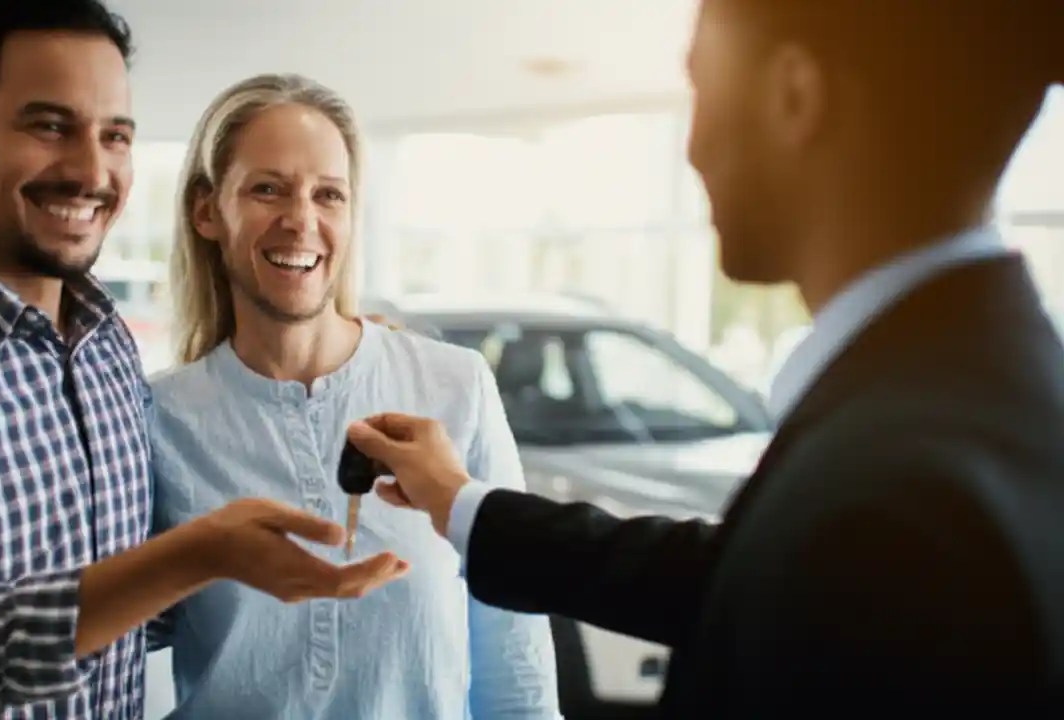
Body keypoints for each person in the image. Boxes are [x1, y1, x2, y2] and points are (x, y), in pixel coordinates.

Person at [346, 1, 1064, 716]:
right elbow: (746, 575)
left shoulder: (890, 490)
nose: (690, 148)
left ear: (794, 98)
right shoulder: (990, 396)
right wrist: (463, 503)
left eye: (701, 88)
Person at [0, 2, 403, 717]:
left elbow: (138, 613)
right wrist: (202, 554)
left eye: (115, 137)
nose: (90, 170)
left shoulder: (103, 342)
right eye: (50, 127)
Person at [147, 73, 562, 720]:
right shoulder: (158, 421)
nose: (300, 219)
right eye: (268, 189)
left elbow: (516, 661)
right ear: (207, 211)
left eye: (329, 194)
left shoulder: (455, 387)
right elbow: (108, 651)